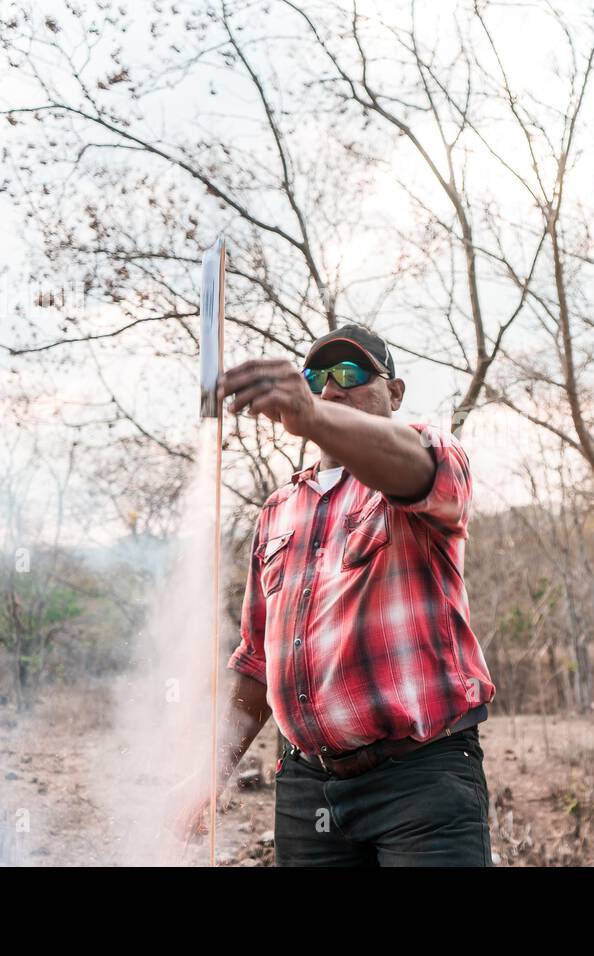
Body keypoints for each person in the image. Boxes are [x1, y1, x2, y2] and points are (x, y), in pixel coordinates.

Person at [170, 323, 496, 866]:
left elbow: (413, 467)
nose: (332, 387)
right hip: (307, 788)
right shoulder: (278, 511)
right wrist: (209, 773)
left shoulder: (431, 454)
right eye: (316, 378)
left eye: (351, 373)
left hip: (422, 782)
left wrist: (314, 417)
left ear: (394, 393)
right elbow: (256, 663)